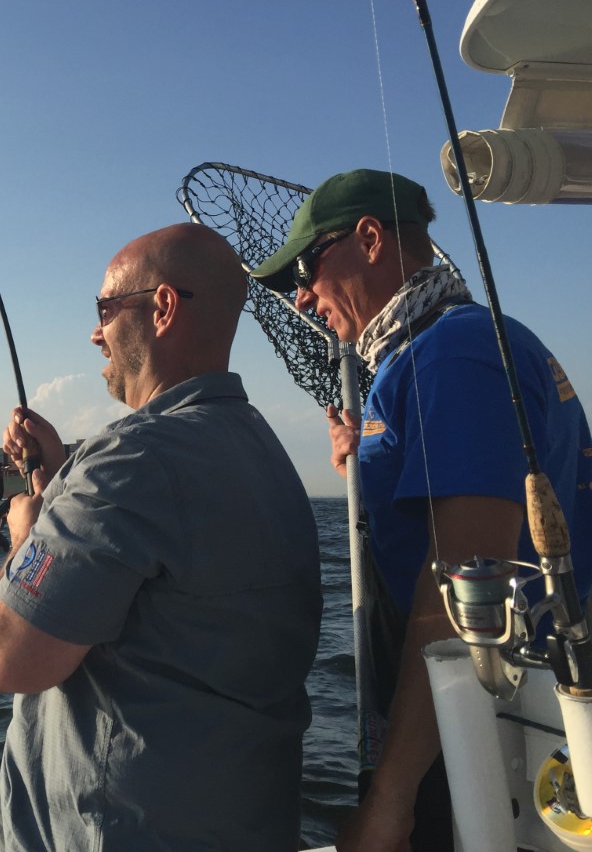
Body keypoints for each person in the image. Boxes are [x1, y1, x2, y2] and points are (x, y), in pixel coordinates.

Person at [250, 168, 592, 852]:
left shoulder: (453, 356)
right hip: (486, 717)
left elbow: (469, 581)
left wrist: (390, 800)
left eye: (308, 269)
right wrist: (366, 456)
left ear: (370, 239)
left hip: (497, 731)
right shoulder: (432, 357)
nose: (300, 297)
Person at [0, 222, 322, 851]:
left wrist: (29, 534)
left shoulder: (130, 461)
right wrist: (56, 481)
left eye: (105, 309)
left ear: (162, 308)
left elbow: (9, 659)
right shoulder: (263, 452)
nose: (95, 332)